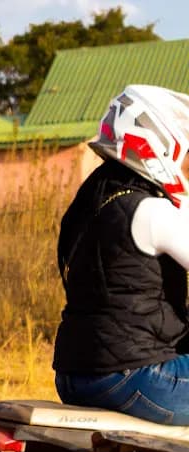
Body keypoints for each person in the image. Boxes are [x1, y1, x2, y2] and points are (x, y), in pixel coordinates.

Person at [54, 84, 189, 425]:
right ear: (161, 145)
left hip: (74, 377)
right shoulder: (151, 211)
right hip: (135, 378)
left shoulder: (95, 200)